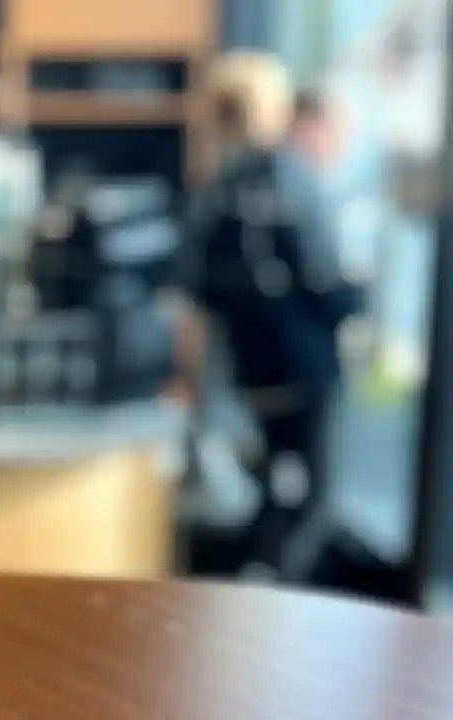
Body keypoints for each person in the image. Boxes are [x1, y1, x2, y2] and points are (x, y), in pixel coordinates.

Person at [183, 53, 362, 579]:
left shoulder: (213, 189)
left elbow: (195, 288)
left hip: (250, 370)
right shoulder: (293, 179)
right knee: (313, 499)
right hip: (304, 366)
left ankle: (252, 590)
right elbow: (323, 278)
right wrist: (359, 300)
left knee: (271, 489)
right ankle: (277, 598)